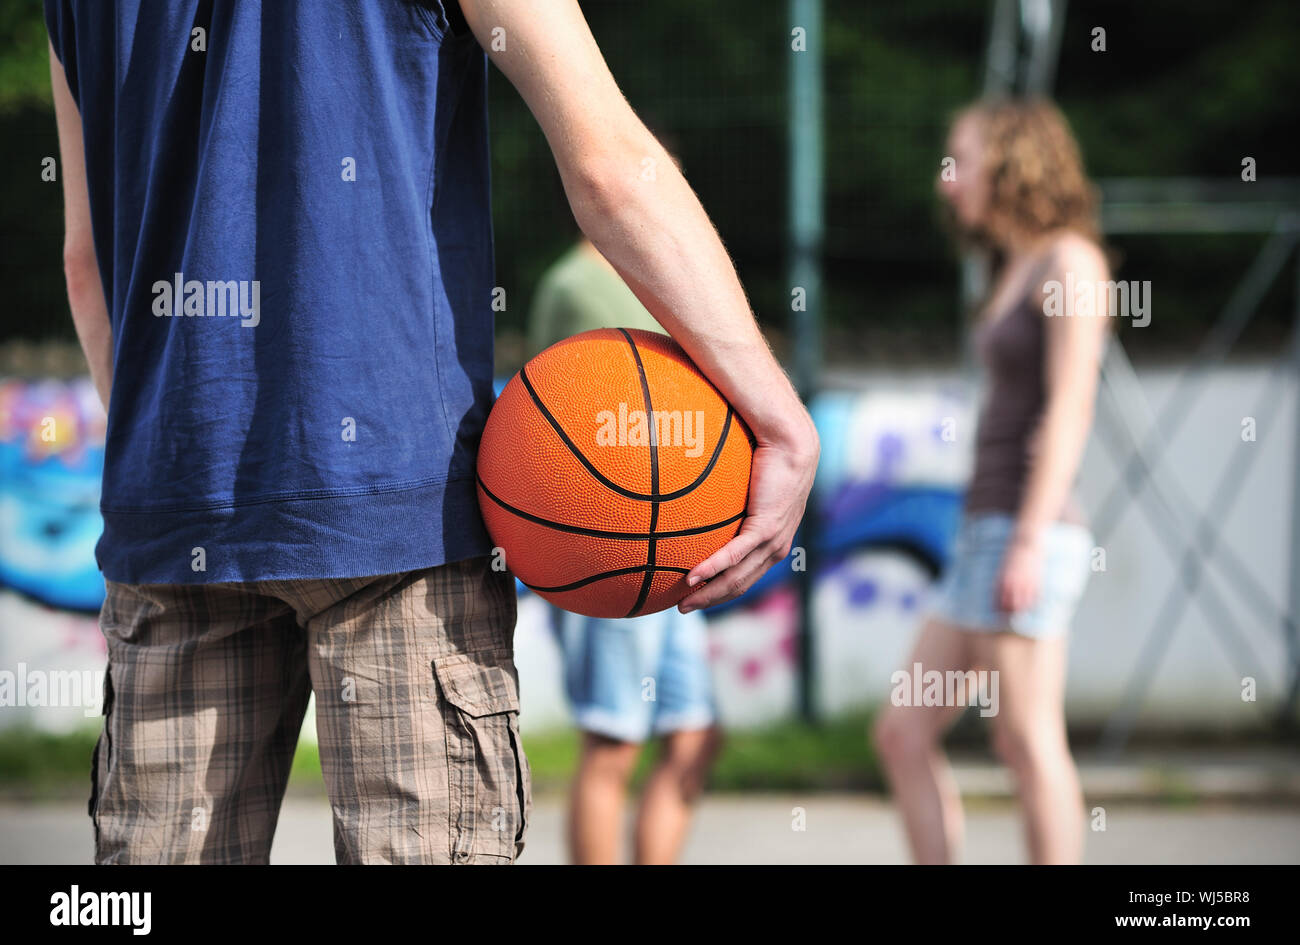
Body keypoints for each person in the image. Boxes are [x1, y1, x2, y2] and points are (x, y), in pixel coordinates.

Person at [47, 0, 817, 864]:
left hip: (173, 513)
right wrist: (780, 419)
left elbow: (88, 263)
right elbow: (608, 167)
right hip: (397, 506)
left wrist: (175, 456)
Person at [873, 98, 1111, 865]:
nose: (948, 181)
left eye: (961, 160)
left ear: (1013, 162)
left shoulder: (1070, 262)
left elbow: (1071, 408)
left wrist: (1029, 542)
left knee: (1026, 738)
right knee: (903, 730)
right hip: (988, 529)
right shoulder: (1013, 266)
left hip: (1027, 530)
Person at [528, 216, 723, 865]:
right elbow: (546, 421)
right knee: (613, 741)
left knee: (695, 735)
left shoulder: (667, 283)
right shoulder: (572, 285)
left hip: (678, 550)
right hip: (610, 548)